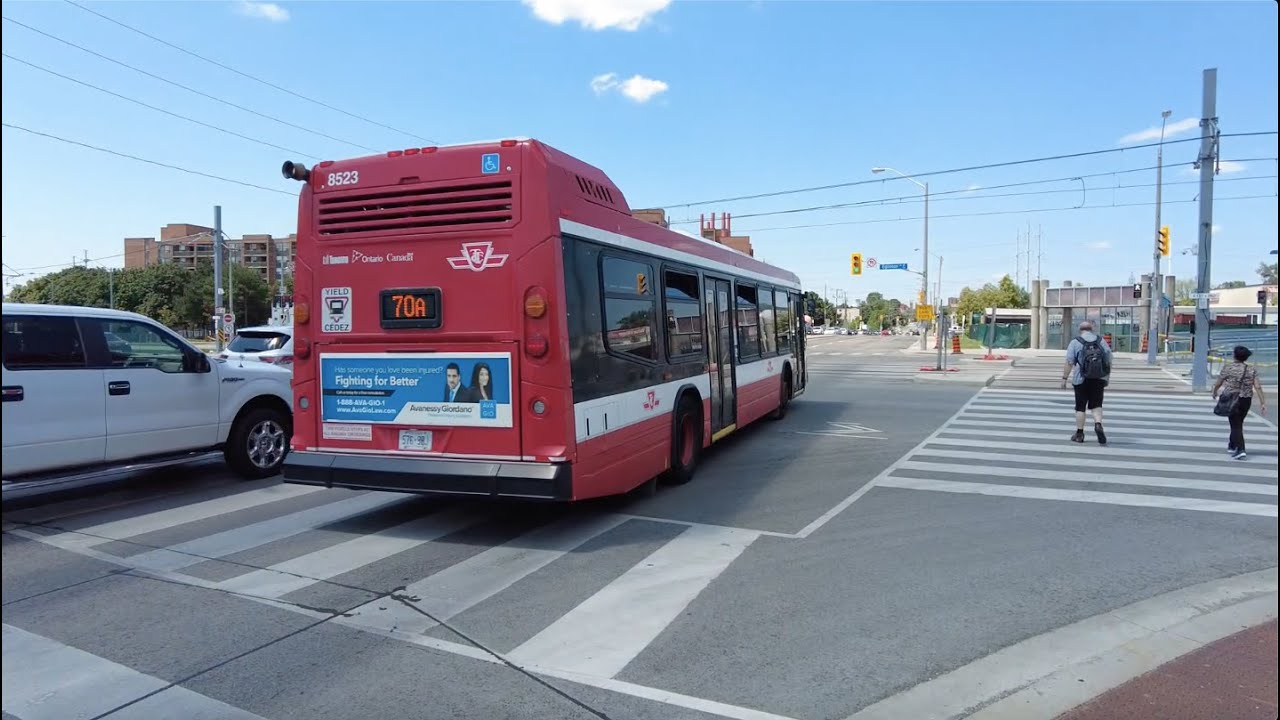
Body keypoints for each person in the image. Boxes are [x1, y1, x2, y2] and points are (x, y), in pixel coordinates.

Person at [1060, 320, 1112, 444]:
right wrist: (1106, 378)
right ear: (1092, 329)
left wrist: (1064, 378)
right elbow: (1108, 360)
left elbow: (1069, 362)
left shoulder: (1075, 342)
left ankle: (1079, 434)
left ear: (1080, 330)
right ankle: (1098, 424)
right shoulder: (1101, 341)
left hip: (1080, 379)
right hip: (1098, 379)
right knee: (1097, 405)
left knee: (1080, 407)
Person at [1212, 345, 1268, 460]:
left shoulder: (1228, 368)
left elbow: (1219, 382)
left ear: (1234, 355)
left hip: (1232, 398)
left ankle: (1241, 449)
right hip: (1246, 399)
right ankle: (1232, 444)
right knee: (1238, 422)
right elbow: (1257, 386)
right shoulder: (1251, 370)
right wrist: (1262, 402)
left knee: (1235, 424)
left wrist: (1215, 392)